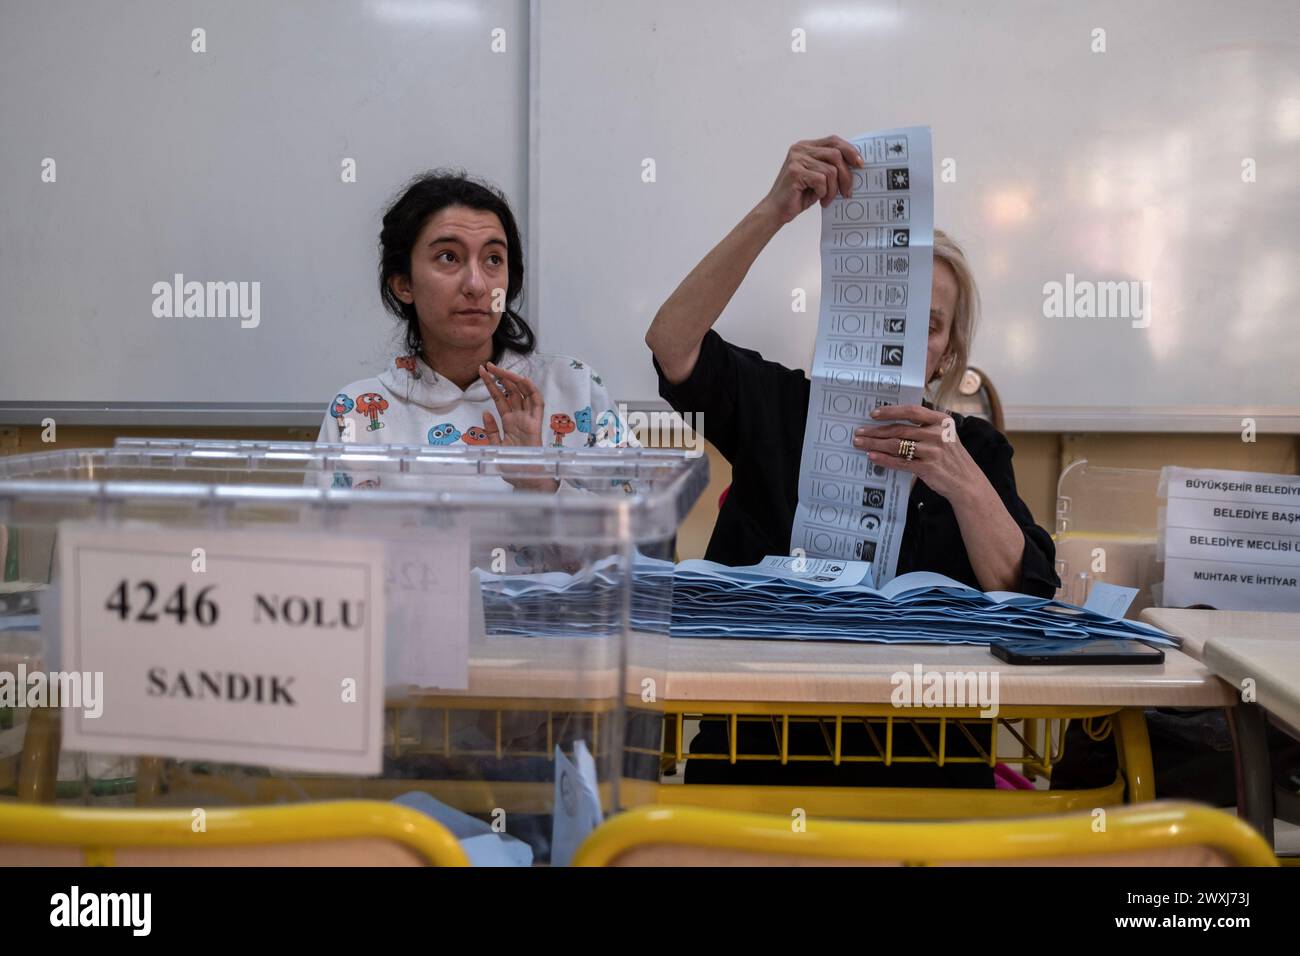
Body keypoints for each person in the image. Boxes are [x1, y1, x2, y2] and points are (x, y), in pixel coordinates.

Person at [645, 135, 1060, 786]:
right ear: (843, 310)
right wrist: (771, 212)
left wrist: (964, 483)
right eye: (885, 305)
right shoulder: (780, 407)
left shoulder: (975, 448)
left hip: (930, 769)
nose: (898, 333)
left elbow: (1026, 600)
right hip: (762, 756)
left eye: (926, 323)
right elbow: (671, 342)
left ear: (946, 354)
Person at [319, 171, 632, 495]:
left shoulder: (575, 387)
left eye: (493, 259)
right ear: (404, 284)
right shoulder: (357, 411)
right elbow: (328, 542)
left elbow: (640, 536)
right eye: (448, 257)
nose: (476, 285)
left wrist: (539, 482)